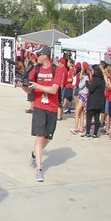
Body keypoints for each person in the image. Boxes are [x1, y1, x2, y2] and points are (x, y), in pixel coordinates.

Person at [25, 46, 65, 182]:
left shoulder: (57, 70)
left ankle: (34, 153)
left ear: (46, 56)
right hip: (39, 107)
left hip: (52, 108)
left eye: (39, 55)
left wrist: (37, 86)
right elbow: (28, 90)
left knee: (48, 137)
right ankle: (39, 169)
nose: (37, 57)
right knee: (40, 136)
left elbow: (54, 90)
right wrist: (23, 85)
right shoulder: (35, 69)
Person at [84, 65, 105, 138]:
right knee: (96, 118)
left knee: (89, 118)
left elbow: (91, 89)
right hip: (100, 102)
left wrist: (87, 84)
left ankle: (87, 132)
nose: (91, 72)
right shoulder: (102, 80)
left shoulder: (95, 79)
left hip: (93, 101)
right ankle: (95, 134)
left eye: (92, 70)